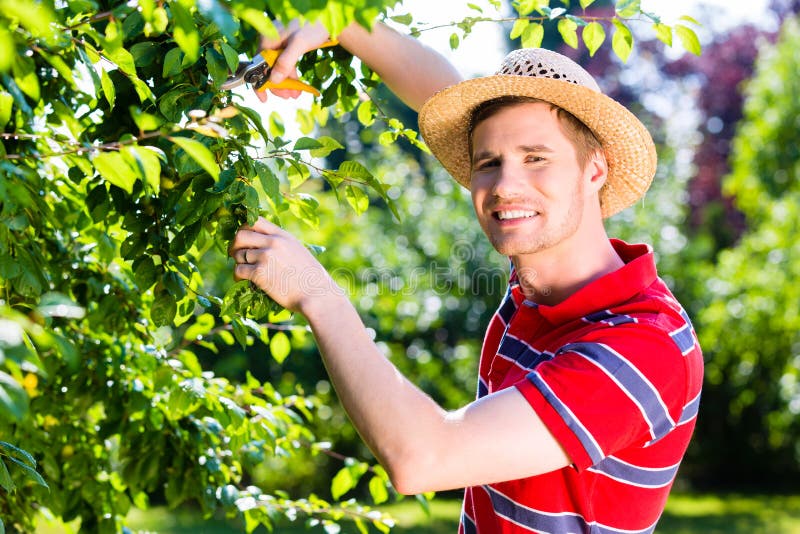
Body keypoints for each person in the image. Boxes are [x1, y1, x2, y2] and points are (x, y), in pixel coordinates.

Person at [229, 19, 704, 534]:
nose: (506, 186)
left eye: (536, 158)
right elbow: (439, 88)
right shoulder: (545, 270)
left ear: (595, 170)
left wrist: (318, 296)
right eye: (489, 163)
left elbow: (423, 459)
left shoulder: (643, 347)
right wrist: (342, 23)